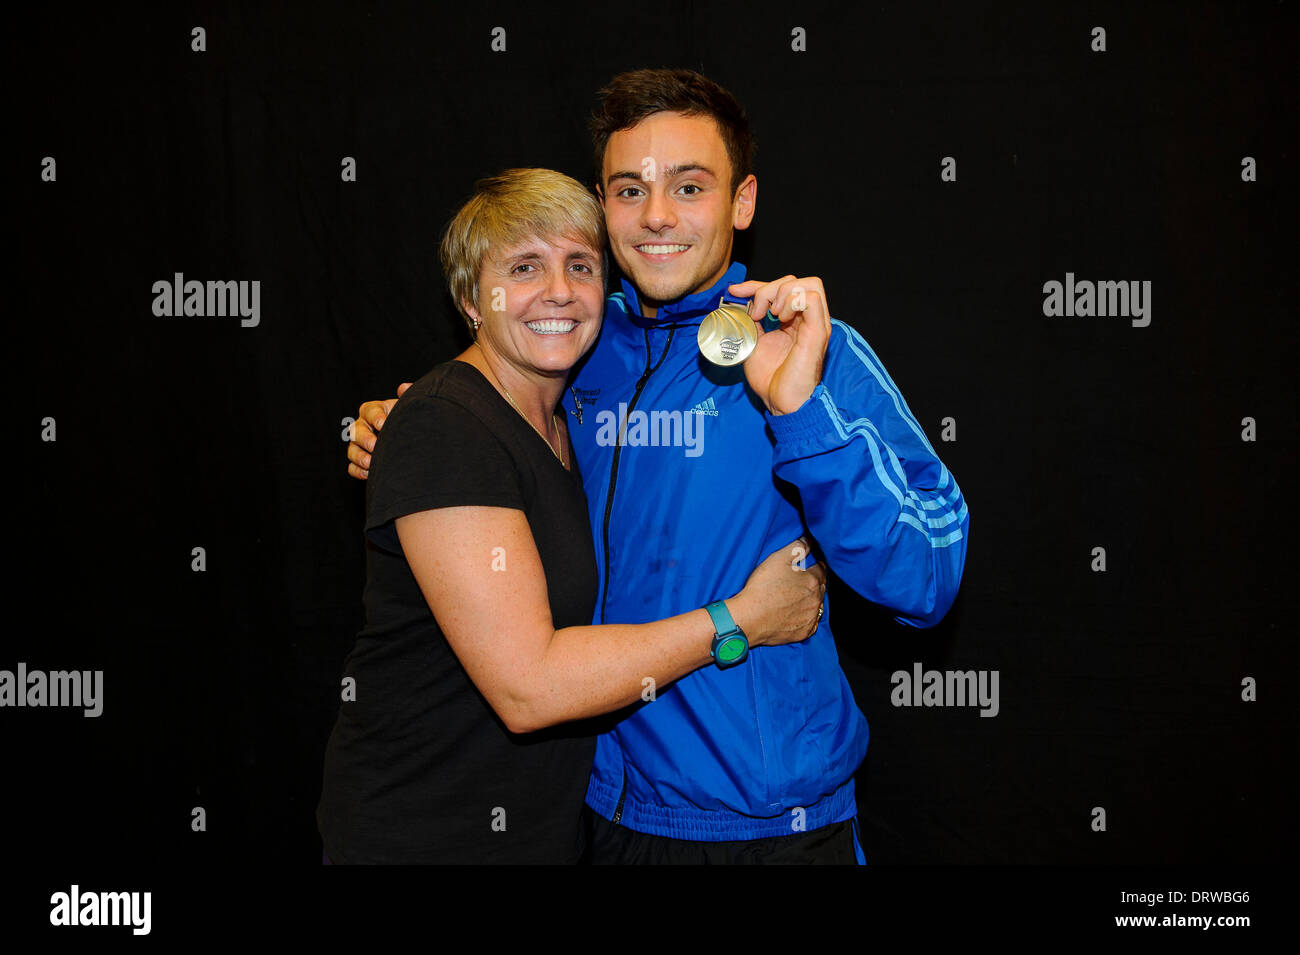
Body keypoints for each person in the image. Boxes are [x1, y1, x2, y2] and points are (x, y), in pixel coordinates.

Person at [348, 70, 970, 864]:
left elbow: (925, 582)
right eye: (629, 190)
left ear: (742, 203)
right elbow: (478, 421)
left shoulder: (810, 349)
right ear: (603, 209)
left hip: (773, 830)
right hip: (602, 814)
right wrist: (396, 427)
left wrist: (801, 410)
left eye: (689, 185)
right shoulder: (574, 342)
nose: (658, 216)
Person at [318, 167, 826, 864]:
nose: (558, 291)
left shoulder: (568, 419)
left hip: (540, 830)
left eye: (580, 265)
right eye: (524, 266)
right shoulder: (444, 425)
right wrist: (740, 618)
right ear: (472, 299)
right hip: (426, 827)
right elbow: (529, 687)